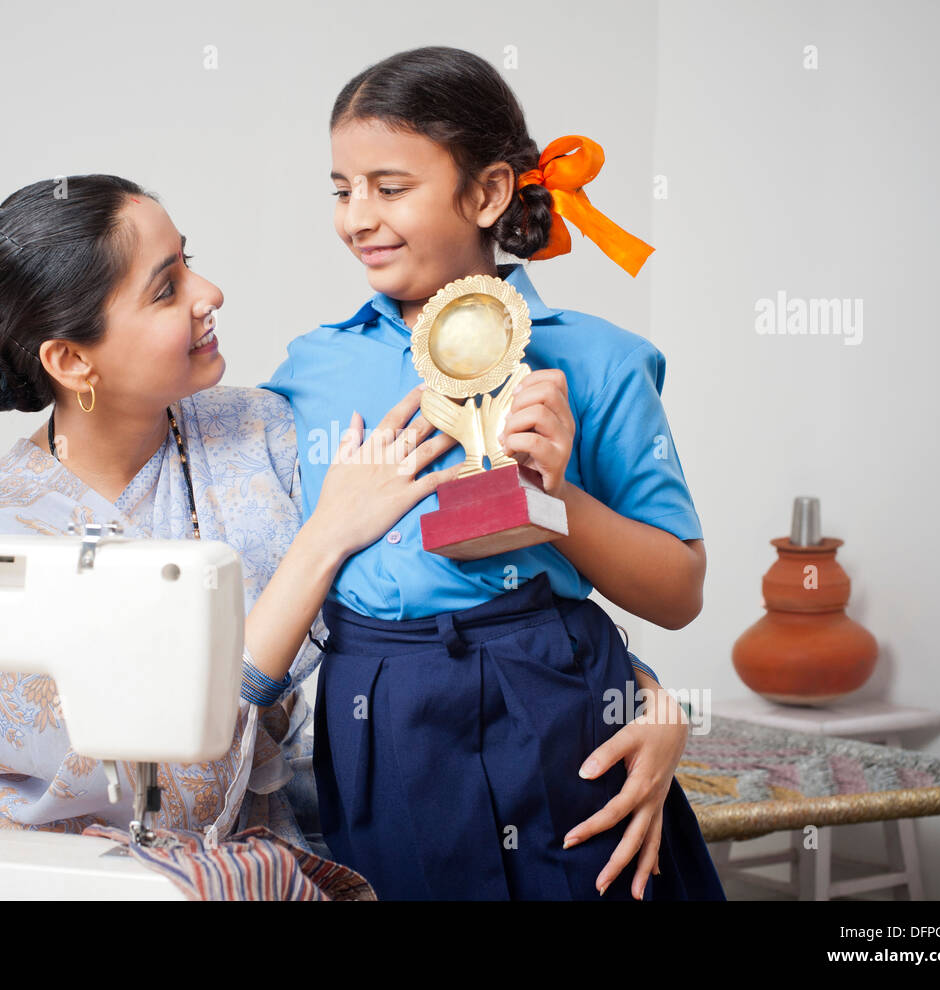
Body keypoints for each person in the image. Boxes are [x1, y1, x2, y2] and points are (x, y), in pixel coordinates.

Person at [259, 46, 727, 900]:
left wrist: (559, 502)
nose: (356, 216)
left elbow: (679, 591)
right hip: (380, 710)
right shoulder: (309, 372)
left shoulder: (601, 362)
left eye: (390, 187)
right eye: (341, 188)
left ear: (487, 193)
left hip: (560, 703)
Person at [0, 174, 460, 857]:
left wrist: (626, 684)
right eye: (165, 288)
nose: (209, 294)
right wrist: (323, 539)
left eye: (189, 260)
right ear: (70, 359)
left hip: (284, 857)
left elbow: (427, 580)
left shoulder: (259, 428)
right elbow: (173, 791)